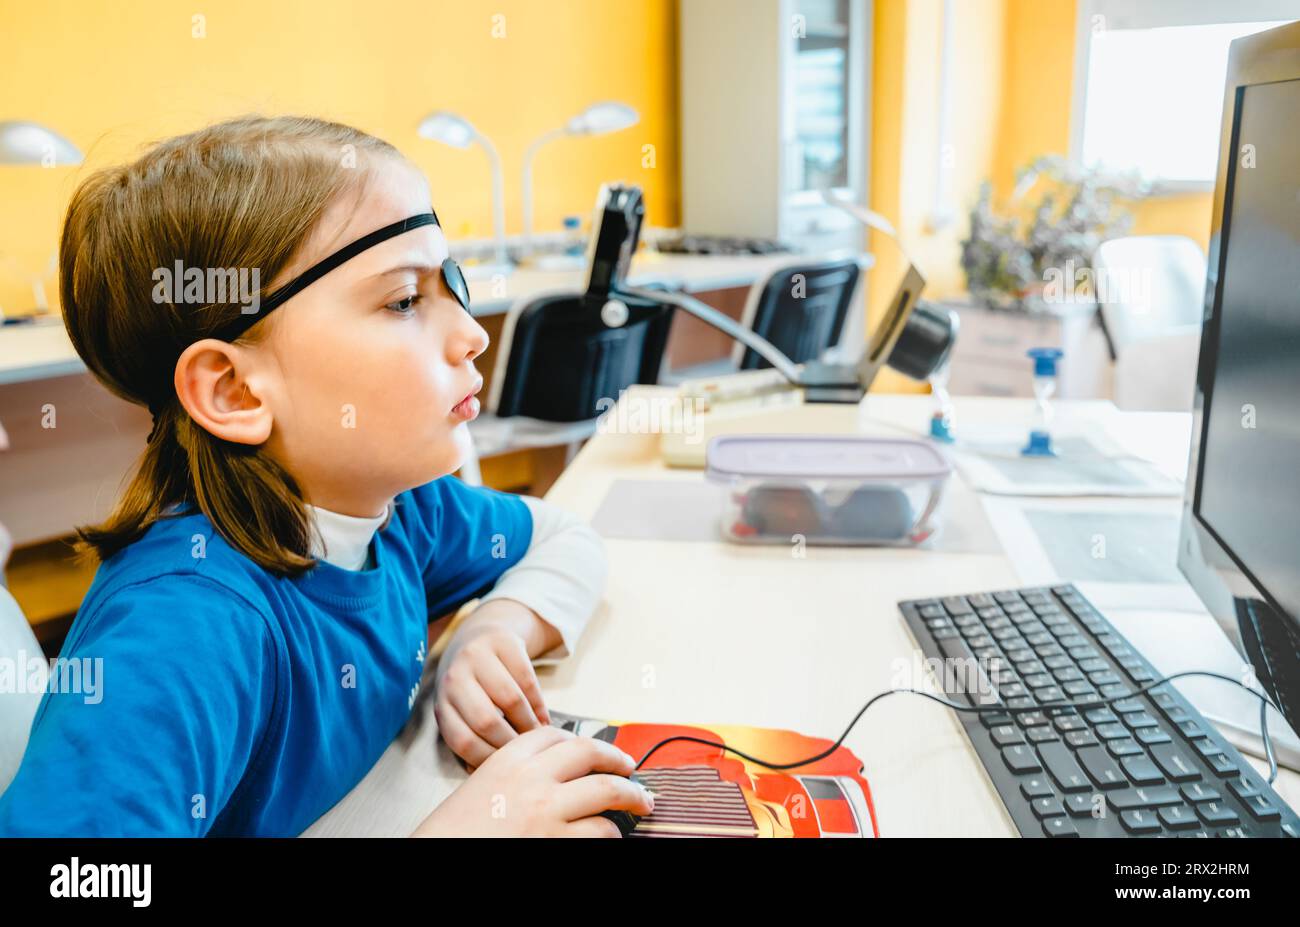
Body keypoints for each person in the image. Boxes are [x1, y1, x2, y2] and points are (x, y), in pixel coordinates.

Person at [0, 115, 652, 836]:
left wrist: (492, 632)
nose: (474, 333)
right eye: (404, 300)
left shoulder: (403, 509)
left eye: (451, 283)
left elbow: (564, 536)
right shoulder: (185, 629)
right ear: (235, 392)